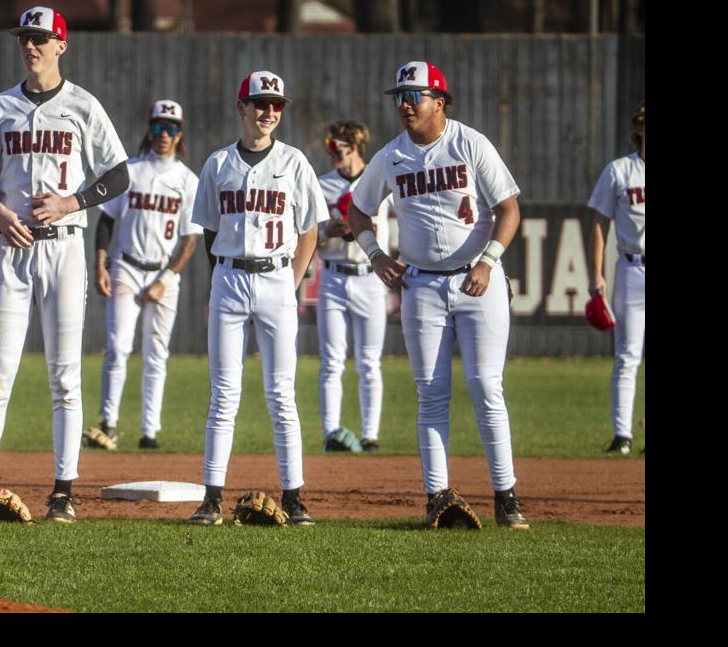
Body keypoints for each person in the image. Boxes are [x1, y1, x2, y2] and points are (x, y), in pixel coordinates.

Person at [0, 7, 130, 524]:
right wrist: (1, 213)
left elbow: (118, 176)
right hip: (13, 247)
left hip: (66, 248)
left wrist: (72, 202)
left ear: (61, 45)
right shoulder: (2, 106)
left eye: (39, 38)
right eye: (24, 38)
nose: (29, 46)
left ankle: (63, 492)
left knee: (65, 377)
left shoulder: (82, 105)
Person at [348, 61, 530, 530]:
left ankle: (506, 496)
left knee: (487, 388)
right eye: (400, 97)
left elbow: (509, 209)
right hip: (422, 285)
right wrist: (374, 254)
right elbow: (358, 210)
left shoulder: (469, 143)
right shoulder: (391, 156)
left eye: (415, 95)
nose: (405, 104)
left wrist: (489, 261)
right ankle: (436, 496)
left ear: (440, 102)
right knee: (430, 395)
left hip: (478, 280)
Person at [183, 71, 329, 526]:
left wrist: (291, 280)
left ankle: (295, 497)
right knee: (223, 394)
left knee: (281, 394)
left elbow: (309, 230)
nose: (269, 112)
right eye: (260, 103)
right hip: (229, 278)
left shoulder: (294, 162)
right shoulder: (218, 163)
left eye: (276, 105)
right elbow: (209, 229)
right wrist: (223, 276)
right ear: (241, 106)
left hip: (275, 281)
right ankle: (211, 498)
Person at [84, 99, 201, 453]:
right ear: (148, 129)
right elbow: (106, 220)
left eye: (170, 128)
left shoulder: (187, 180)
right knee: (118, 347)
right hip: (127, 266)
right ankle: (109, 423)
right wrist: (100, 264)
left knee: (156, 353)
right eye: (157, 127)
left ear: (180, 135)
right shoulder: (131, 171)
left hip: (163, 275)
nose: (163, 134)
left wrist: (165, 279)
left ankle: (150, 431)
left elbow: (189, 239)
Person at [314, 119, 393, 454]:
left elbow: (389, 227)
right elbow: (311, 235)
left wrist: (364, 229)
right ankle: (332, 432)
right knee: (331, 360)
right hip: (332, 274)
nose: (334, 158)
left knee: (369, 361)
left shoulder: (378, 180)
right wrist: (329, 232)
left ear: (356, 148)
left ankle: (370, 435)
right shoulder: (323, 184)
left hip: (369, 276)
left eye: (340, 151)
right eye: (331, 151)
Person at [589, 102, 645, 456]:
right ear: (637, 128)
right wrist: (597, 273)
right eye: (642, 121)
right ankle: (622, 434)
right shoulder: (620, 171)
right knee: (627, 353)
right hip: (632, 266)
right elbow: (599, 223)